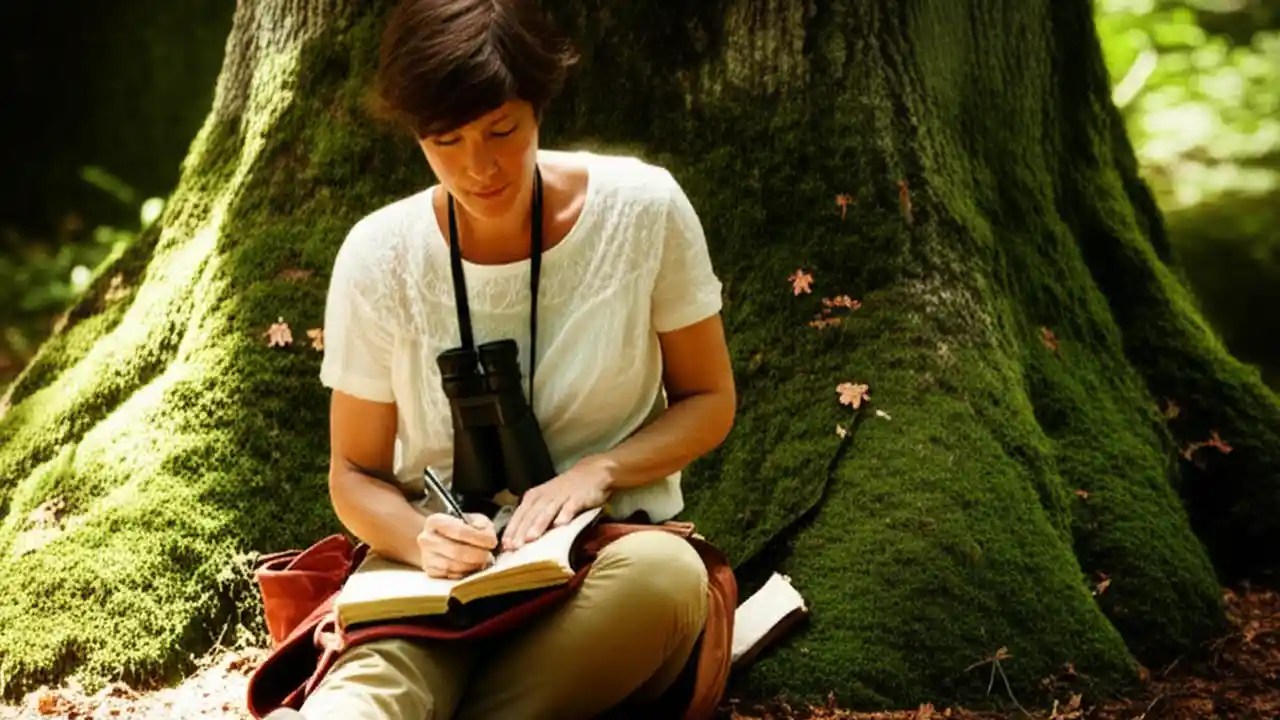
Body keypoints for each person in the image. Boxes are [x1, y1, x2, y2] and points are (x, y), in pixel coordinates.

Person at [275, 0, 736, 718]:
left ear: (538, 106)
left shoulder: (644, 212)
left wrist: (599, 471)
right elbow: (354, 473)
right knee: (368, 693)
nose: (479, 166)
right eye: (446, 141)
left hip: (602, 558)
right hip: (434, 578)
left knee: (665, 579)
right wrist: (421, 540)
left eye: (501, 130)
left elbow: (709, 399)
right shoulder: (378, 253)